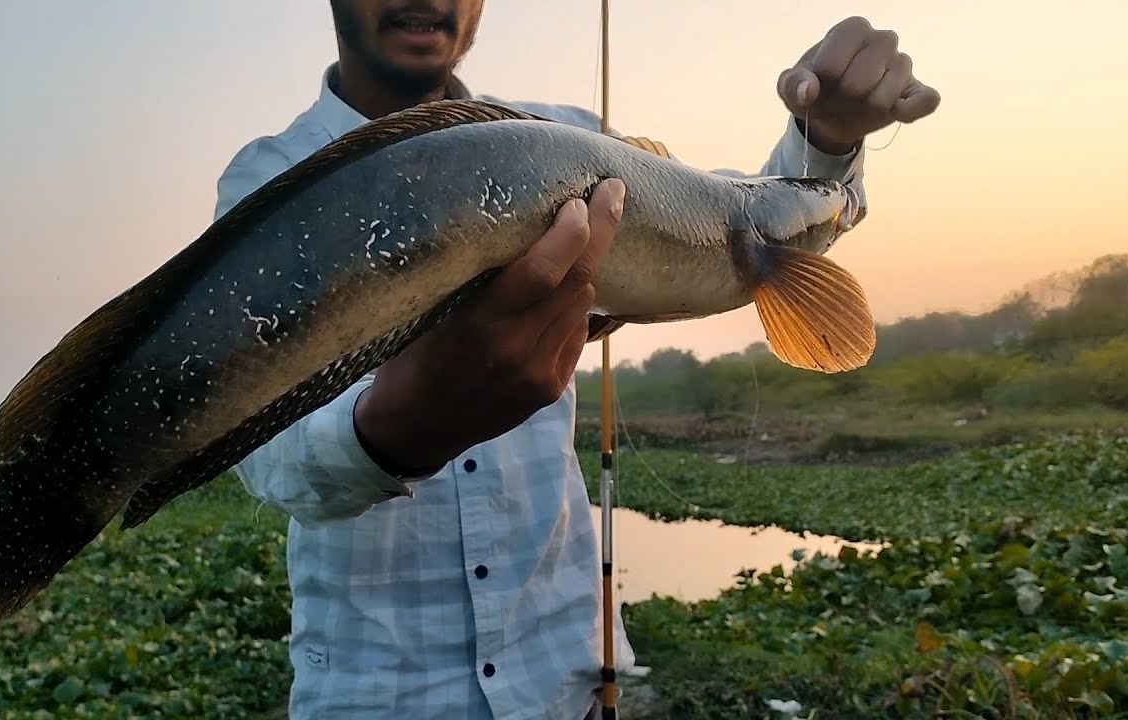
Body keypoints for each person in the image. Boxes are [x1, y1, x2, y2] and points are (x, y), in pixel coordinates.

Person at [213, 3, 941, 718]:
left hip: (566, 687)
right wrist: (393, 429)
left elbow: (728, 217)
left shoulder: (569, 142)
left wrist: (827, 140)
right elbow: (262, 453)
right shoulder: (270, 181)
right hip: (376, 697)